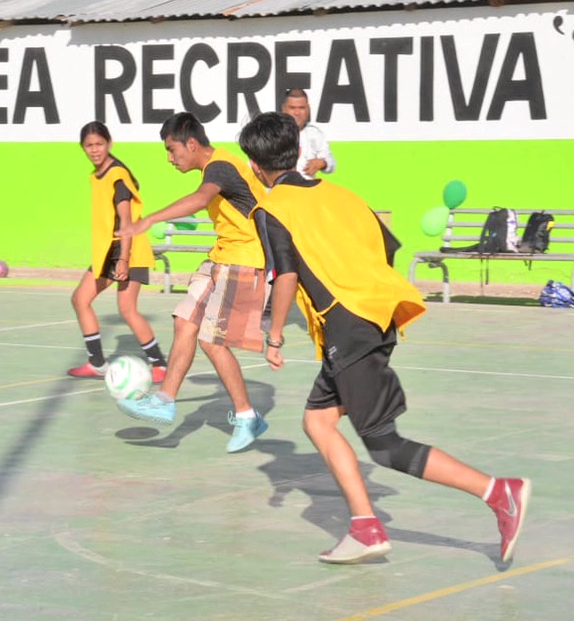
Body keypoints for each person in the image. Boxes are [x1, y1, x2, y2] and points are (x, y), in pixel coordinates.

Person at [238, 111, 530, 565]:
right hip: (377, 314)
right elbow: (388, 249)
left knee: (384, 444)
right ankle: (365, 526)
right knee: (318, 422)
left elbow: (286, 275)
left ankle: (497, 492)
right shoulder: (344, 196)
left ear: (255, 167)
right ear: (297, 153)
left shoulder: (271, 209)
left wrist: (274, 337)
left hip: (349, 325)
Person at [114, 112, 271, 453]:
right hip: (222, 255)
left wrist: (148, 220)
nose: (170, 159)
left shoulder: (220, 166)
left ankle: (248, 416)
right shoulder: (215, 168)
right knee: (184, 320)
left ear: (192, 144)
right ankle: (164, 401)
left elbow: (200, 200)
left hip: (245, 259)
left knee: (211, 341)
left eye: (172, 150)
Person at [67, 121, 167, 383]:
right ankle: (97, 363)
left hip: (128, 249)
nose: (94, 149)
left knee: (127, 309)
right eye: (89, 145)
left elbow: (126, 221)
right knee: (80, 299)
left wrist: (123, 258)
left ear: (109, 143)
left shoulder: (118, 176)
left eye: (99, 144)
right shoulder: (95, 176)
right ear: (82, 147)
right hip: (107, 251)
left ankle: (160, 364)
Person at [280, 88, 335, 180]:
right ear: (283, 109)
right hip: (280, 187)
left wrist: (323, 163)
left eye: (301, 108)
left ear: (308, 109)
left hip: (307, 187)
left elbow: (331, 162)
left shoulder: (315, 134)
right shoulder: (273, 133)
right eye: (292, 108)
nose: (297, 113)